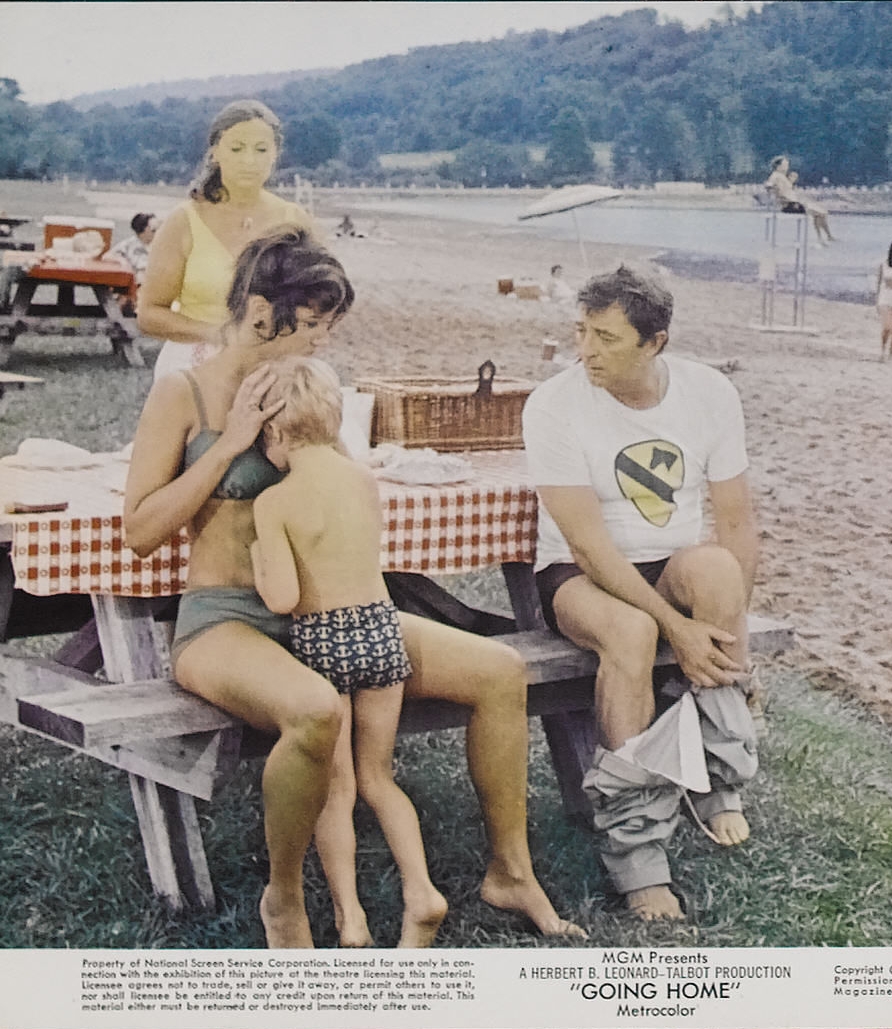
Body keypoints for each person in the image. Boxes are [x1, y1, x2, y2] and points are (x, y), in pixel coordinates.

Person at [124, 226, 582, 947]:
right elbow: (142, 529)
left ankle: (510, 871)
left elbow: (337, 493)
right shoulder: (185, 394)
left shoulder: (307, 389)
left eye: (328, 328)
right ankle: (283, 896)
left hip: (326, 617)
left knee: (501, 671)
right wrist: (234, 443)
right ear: (256, 312)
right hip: (225, 622)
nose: (319, 344)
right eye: (309, 327)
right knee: (313, 710)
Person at [522, 264, 761, 922]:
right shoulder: (554, 403)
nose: (585, 350)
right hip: (579, 573)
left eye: (605, 337)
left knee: (715, 573)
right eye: (581, 331)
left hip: (672, 562)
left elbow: (737, 523)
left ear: (655, 342)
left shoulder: (708, 393)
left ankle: (715, 772)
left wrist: (734, 645)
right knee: (633, 633)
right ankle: (636, 849)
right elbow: (590, 547)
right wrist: (672, 627)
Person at [250, 355, 446, 948]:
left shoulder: (274, 503)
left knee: (336, 791)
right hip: (382, 633)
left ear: (275, 432)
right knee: (380, 778)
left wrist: (260, 561)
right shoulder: (362, 480)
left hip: (325, 642)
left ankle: (351, 918)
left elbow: (283, 598)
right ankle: (422, 890)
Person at [138, 99, 313, 383]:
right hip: (192, 370)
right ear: (215, 152)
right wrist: (222, 334)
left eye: (261, 149)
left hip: (272, 369)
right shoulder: (184, 221)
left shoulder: (295, 221)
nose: (249, 160)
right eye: (236, 148)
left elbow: (319, 302)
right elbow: (149, 315)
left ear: (275, 155)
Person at [764, 155, 835, 245]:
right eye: (785, 165)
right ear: (779, 166)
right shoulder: (776, 176)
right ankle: (822, 237)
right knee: (821, 213)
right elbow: (771, 185)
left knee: (822, 212)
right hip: (790, 205)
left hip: (794, 202)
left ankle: (825, 237)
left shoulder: (781, 176)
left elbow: (786, 189)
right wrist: (771, 188)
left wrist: (791, 182)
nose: (787, 167)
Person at [106, 212, 158, 279]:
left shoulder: (158, 246)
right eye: (153, 230)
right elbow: (107, 256)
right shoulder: (128, 244)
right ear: (142, 230)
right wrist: (121, 261)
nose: (157, 233)